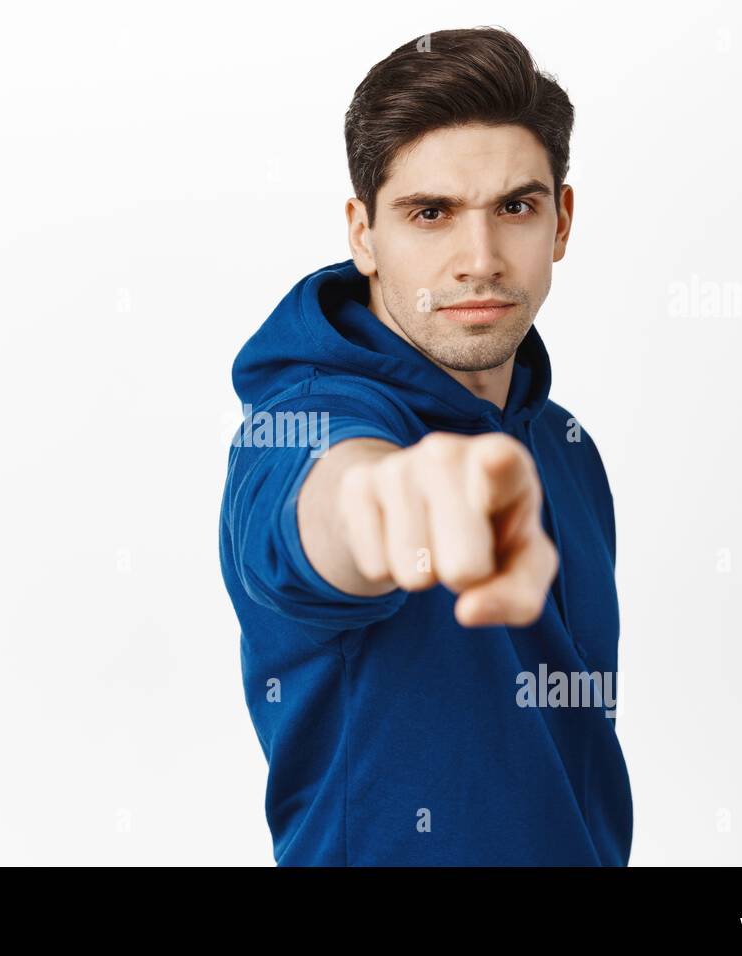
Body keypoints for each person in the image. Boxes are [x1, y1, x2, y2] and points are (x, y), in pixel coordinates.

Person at [219, 26, 632, 865]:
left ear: (562, 220)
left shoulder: (563, 444)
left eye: (515, 207)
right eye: (431, 214)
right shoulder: (302, 424)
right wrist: (399, 500)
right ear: (363, 233)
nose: (477, 260)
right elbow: (336, 502)